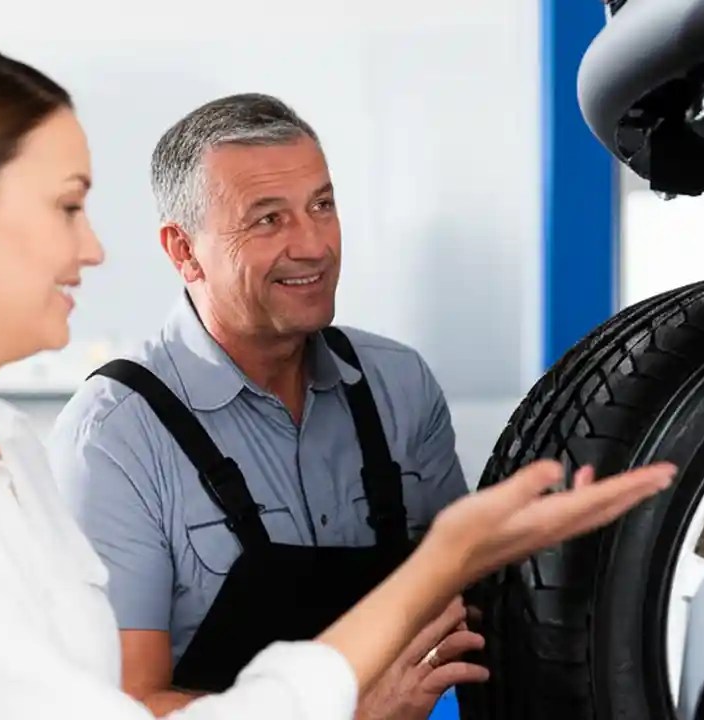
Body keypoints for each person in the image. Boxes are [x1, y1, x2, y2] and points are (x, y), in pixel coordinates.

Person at [0, 39, 677, 720]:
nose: (91, 249)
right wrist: (420, 598)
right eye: (66, 206)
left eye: (323, 205)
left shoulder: (5, 447)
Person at [46, 94, 480, 717]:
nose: (313, 246)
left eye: (322, 207)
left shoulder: (398, 386)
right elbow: (124, 706)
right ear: (183, 251)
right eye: (268, 220)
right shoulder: (113, 438)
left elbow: (466, 608)